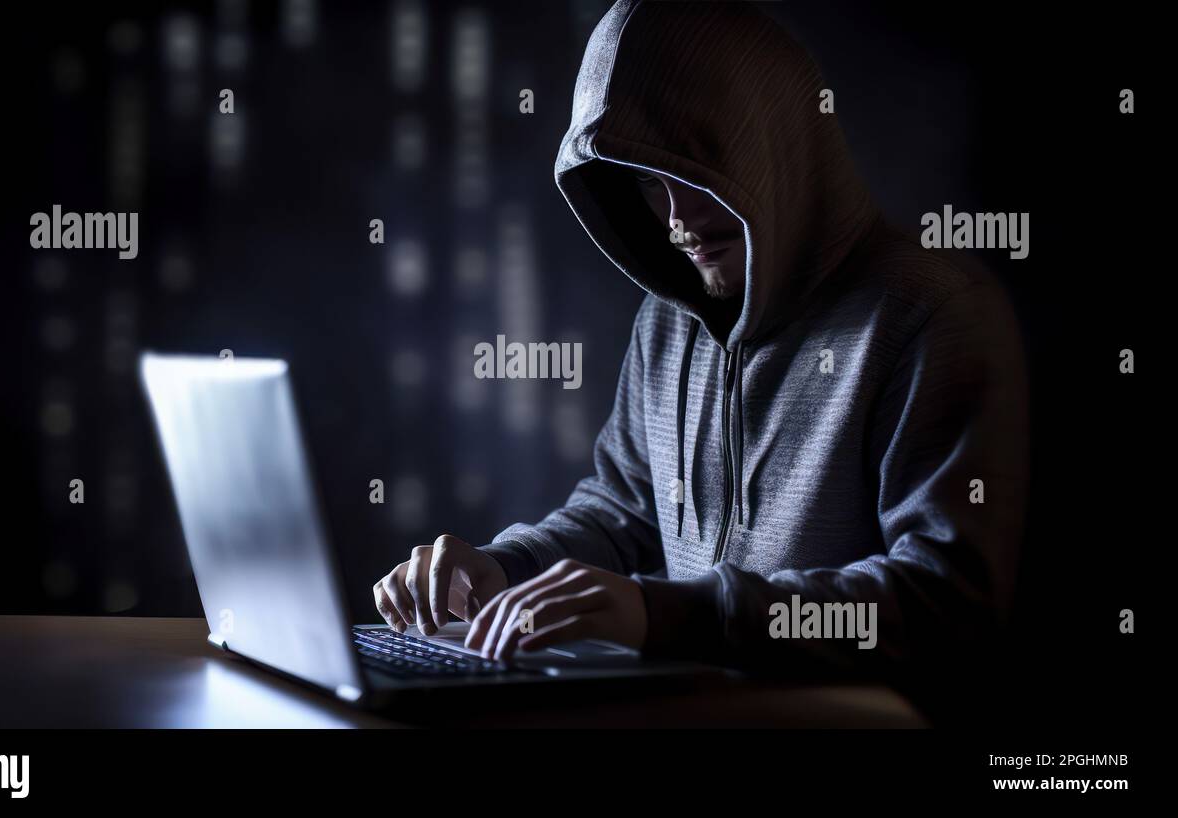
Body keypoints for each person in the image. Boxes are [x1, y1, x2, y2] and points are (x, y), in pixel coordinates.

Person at [374, 0, 1028, 680]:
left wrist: (672, 616)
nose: (678, 220)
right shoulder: (666, 322)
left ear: (775, 146)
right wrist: (505, 567)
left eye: (697, 175)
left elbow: (947, 606)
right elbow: (624, 509)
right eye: (653, 184)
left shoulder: (933, 316)